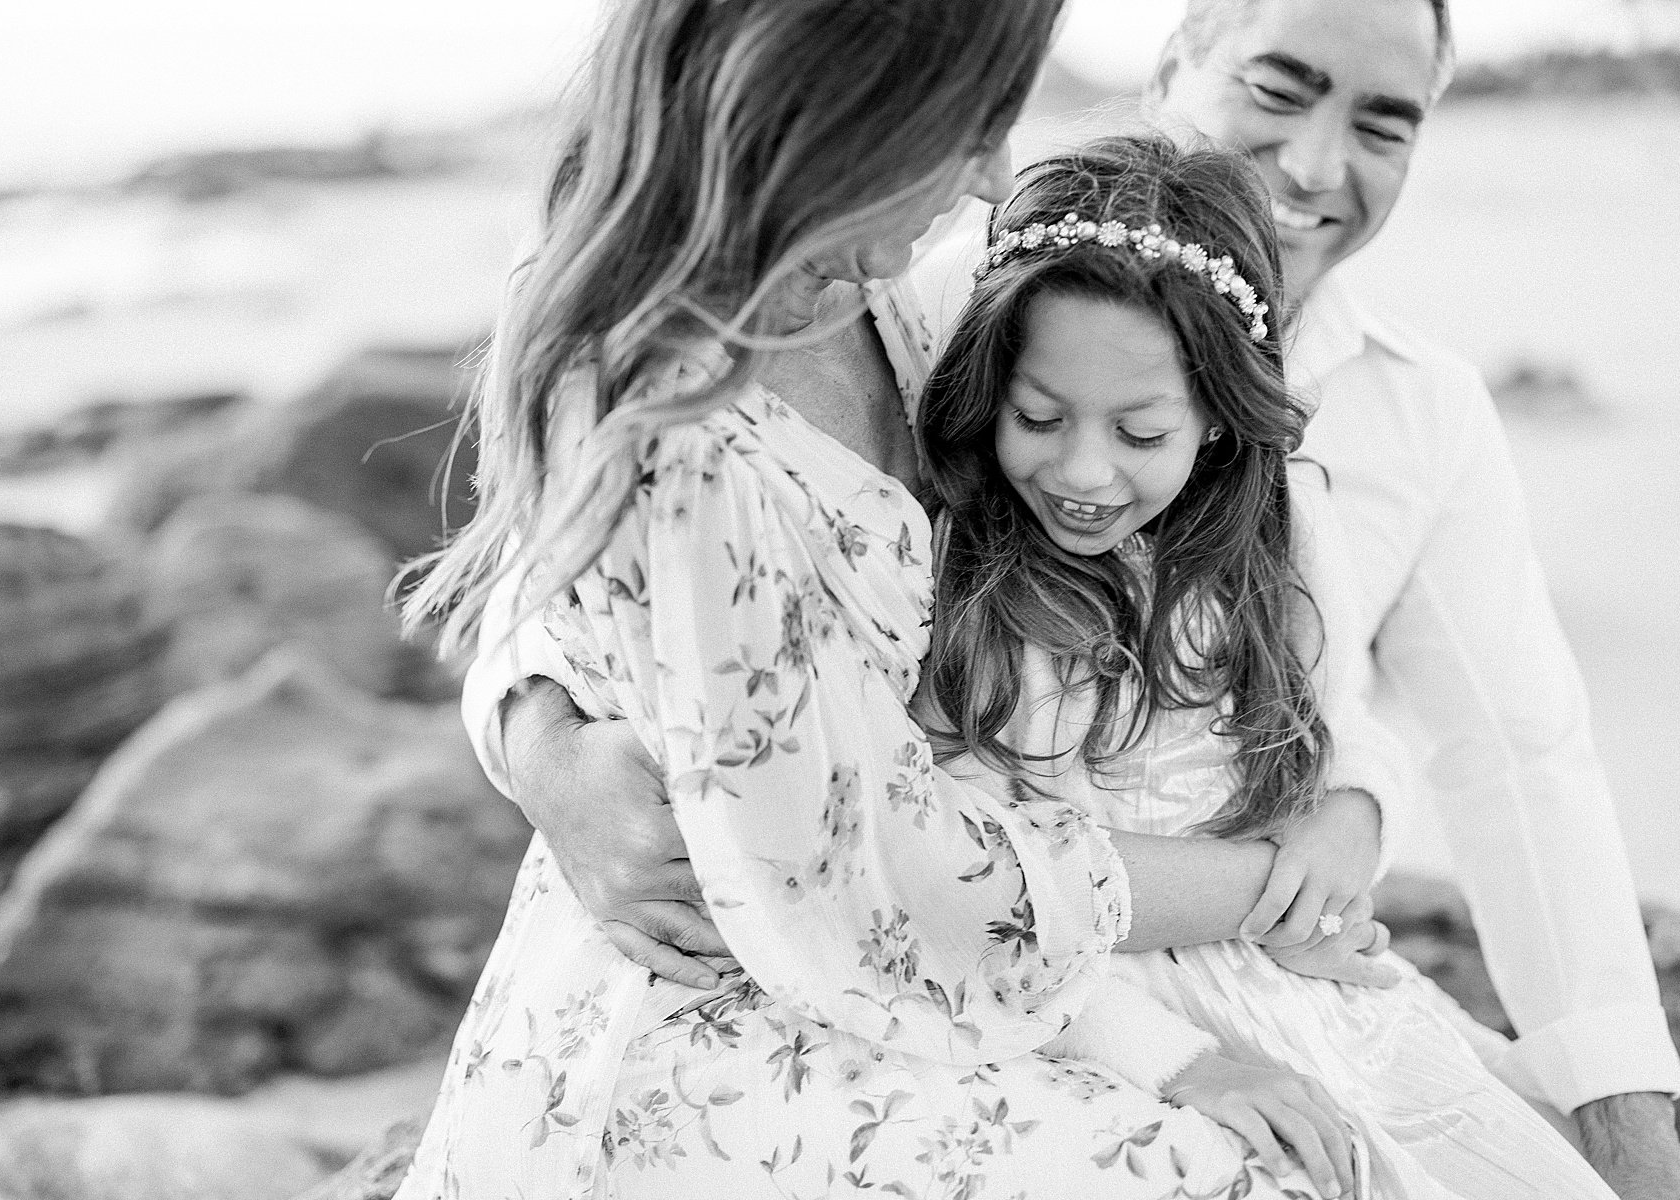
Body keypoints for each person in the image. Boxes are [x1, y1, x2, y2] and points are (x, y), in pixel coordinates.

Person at [394, 3, 1367, 1197]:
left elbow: (540, 595)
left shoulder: (875, 285)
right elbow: (872, 871)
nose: (994, 176)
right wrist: (1266, 887)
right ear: (843, 106)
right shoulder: (683, 429)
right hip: (735, 996)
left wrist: (528, 726)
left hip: (910, 952)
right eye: (969, 128)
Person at [902, 0, 1680, 1195]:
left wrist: (1356, 812)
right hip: (1047, 988)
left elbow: (1514, 751)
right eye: (1279, 90)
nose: (1316, 165)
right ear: (1179, 58)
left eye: (1382, 123)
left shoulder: (1411, 419)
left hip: (1282, 980)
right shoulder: (947, 316)